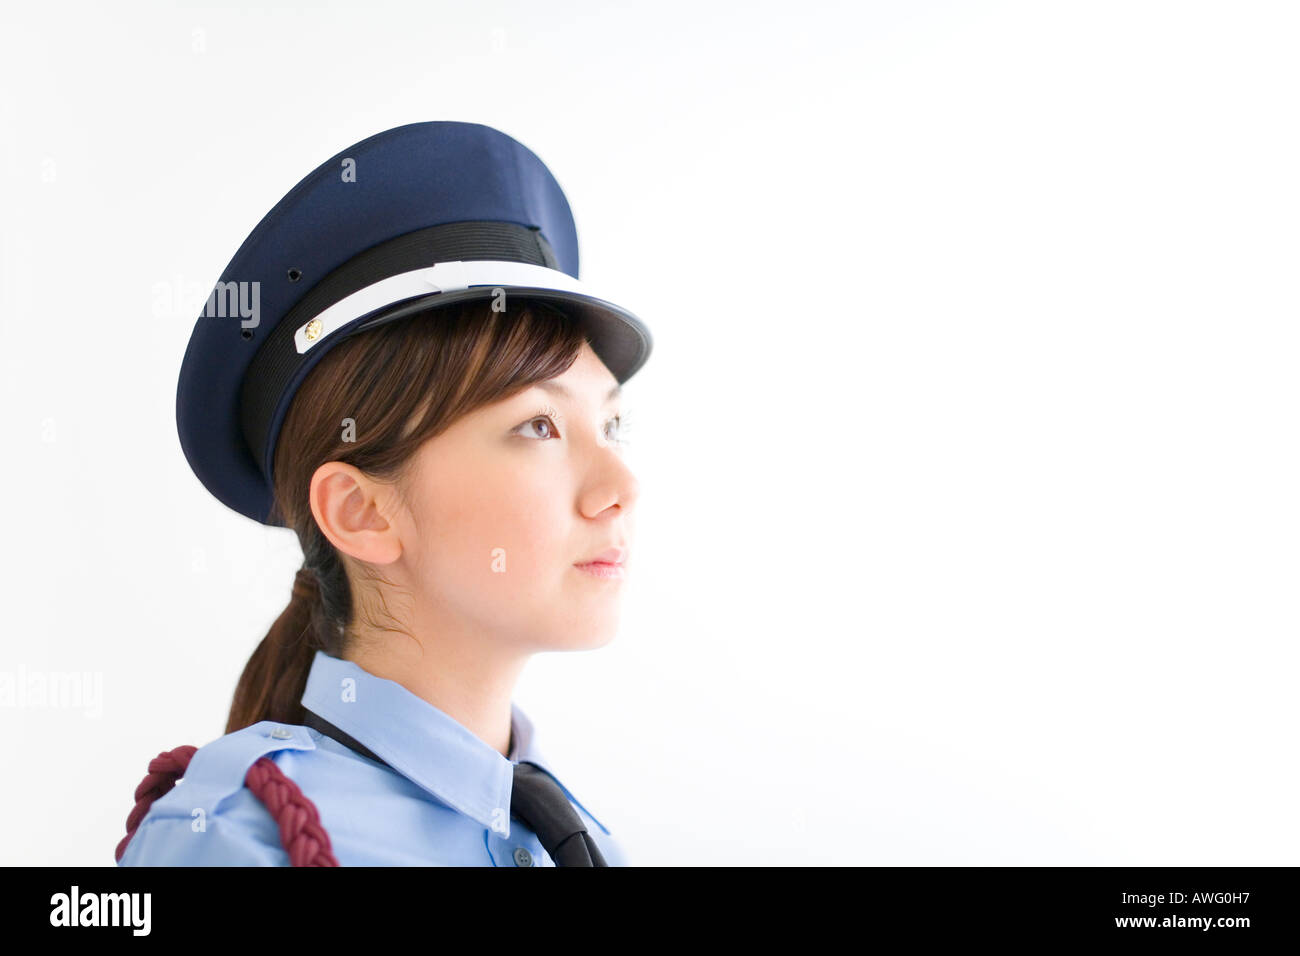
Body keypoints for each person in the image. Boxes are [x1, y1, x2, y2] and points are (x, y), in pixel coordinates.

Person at [115, 121, 652, 866]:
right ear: (360, 511)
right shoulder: (237, 839)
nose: (620, 488)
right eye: (538, 425)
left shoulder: (575, 838)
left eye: (612, 425)